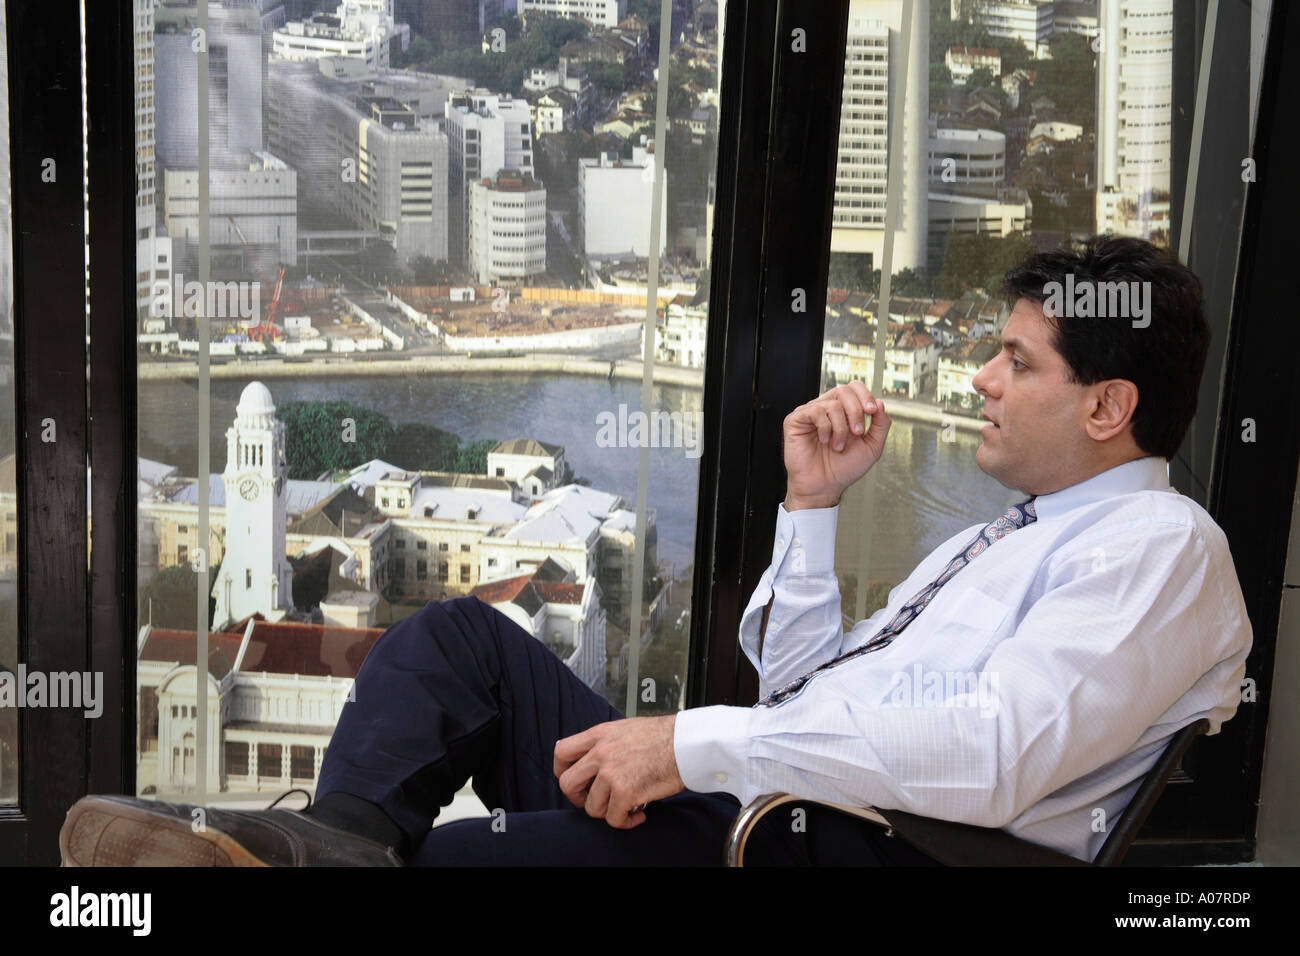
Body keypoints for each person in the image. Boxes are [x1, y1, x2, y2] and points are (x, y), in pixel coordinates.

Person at [59, 235, 1251, 866]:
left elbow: (992, 757)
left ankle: (303, 863)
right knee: (460, 637)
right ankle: (337, 844)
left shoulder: (1160, 547)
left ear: (1108, 407)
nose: (981, 379)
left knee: (460, 861)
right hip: (781, 810)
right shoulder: (1002, 537)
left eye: (1017, 361)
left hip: (842, 846)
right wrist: (815, 507)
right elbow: (798, 688)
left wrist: (694, 743)